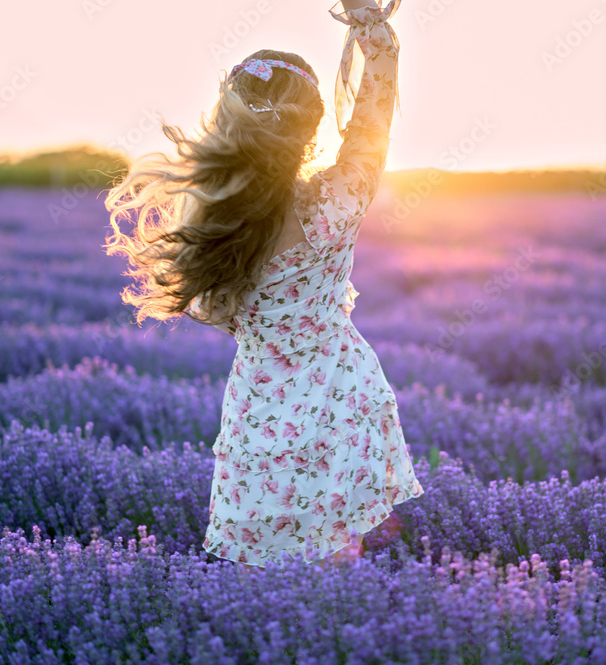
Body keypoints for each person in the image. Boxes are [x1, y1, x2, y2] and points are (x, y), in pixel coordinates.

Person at [102, 0, 423, 572]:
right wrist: (373, 32)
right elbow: (373, 121)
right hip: (342, 405)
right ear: (312, 130)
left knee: (263, 578)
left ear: (229, 123)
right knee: (342, 572)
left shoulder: (216, 225)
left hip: (260, 418)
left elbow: (222, 312)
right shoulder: (335, 204)